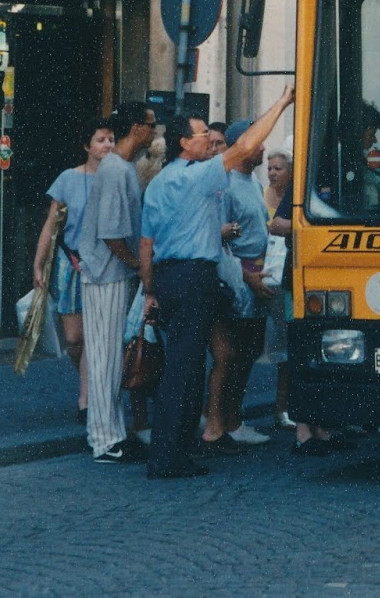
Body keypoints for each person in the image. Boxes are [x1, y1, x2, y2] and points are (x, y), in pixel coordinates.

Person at [140, 85, 294, 479]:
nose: (209, 138)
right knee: (185, 368)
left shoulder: (159, 183)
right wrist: (280, 103)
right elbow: (244, 147)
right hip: (193, 276)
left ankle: (175, 449)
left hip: (170, 277)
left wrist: (151, 289)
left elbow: (147, 242)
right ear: (182, 144)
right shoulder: (197, 177)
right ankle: (169, 456)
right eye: (202, 134)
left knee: (183, 365)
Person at [77, 102, 153, 464]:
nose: (155, 133)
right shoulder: (115, 170)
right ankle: (105, 439)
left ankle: (113, 433)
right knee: (106, 357)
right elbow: (110, 233)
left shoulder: (118, 168)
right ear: (137, 128)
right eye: (151, 126)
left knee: (109, 356)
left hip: (111, 272)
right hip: (106, 273)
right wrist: (136, 265)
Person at [31, 118, 115, 423]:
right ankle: (88, 381)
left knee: (94, 335)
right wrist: (38, 263)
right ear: (87, 146)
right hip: (71, 264)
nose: (107, 145)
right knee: (74, 338)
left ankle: (86, 398)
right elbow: (52, 224)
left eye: (111, 139)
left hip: (102, 265)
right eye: (101, 140)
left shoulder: (117, 177)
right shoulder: (68, 178)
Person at [205, 120, 279, 448]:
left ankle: (233, 419)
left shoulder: (251, 182)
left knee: (247, 355)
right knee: (229, 356)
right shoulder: (227, 185)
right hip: (238, 280)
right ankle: (221, 421)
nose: (263, 147)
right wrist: (245, 277)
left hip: (256, 279)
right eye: (258, 142)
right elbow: (217, 240)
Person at [262, 149, 295, 430]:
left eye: (278, 169)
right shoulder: (261, 195)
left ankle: (282, 407)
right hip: (261, 274)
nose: (272, 173)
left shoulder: (296, 198)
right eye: (270, 168)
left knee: (285, 347)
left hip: (283, 274)